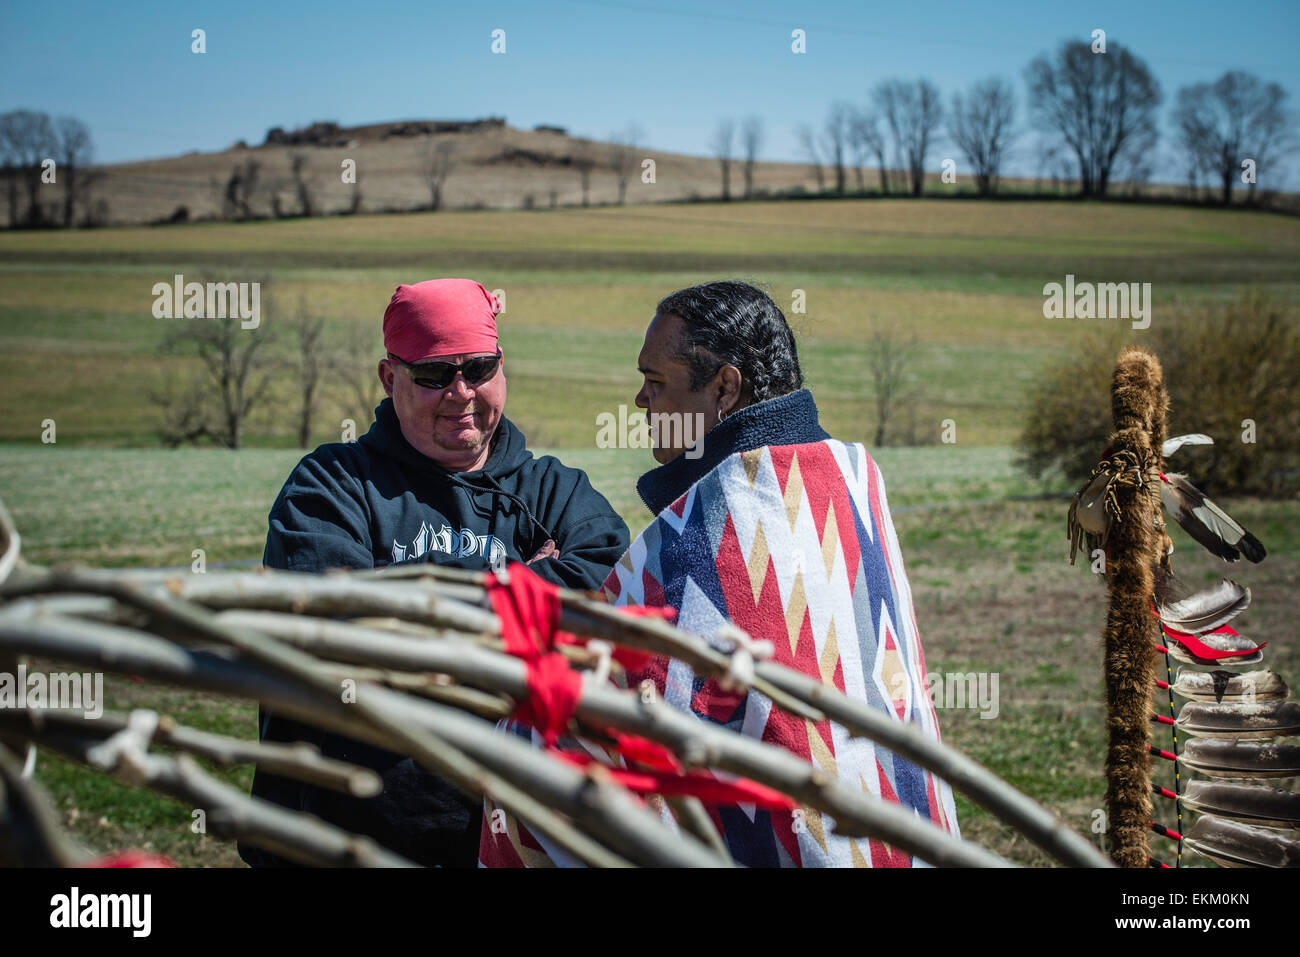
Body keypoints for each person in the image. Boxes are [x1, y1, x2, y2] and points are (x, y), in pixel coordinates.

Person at [479, 280, 958, 867]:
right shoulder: (852, 484)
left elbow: (609, 717)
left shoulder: (705, 532)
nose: (639, 402)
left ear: (724, 388)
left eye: (656, 382)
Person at [239, 278, 630, 868]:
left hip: (512, 838)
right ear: (388, 376)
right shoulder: (331, 485)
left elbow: (608, 599)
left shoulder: (555, 490)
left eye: (479, 367)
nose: (461, 392)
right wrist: (523, 587)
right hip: (341, 836)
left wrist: (416, 603)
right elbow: (335, 632)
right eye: (434, 374)